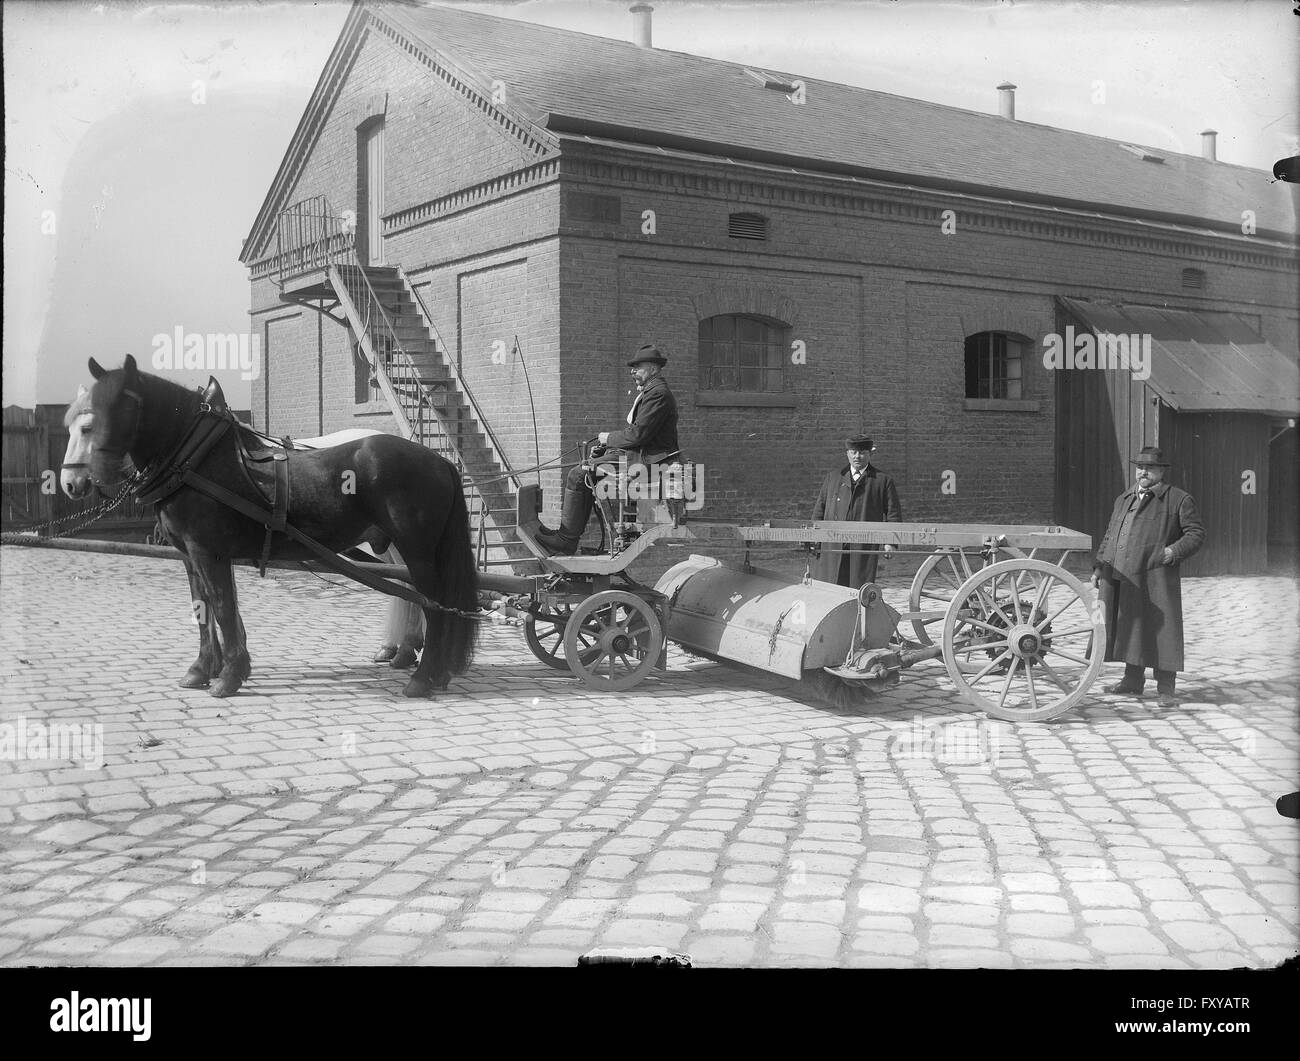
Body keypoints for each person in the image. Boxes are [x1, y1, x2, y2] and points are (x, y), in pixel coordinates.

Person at [536, 344, 680, 555]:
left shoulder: (657, 394)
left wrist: (608, 438)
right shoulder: (651, 391)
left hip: (650, 462)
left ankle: (566, 539)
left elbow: (638, 435)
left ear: (654, 369)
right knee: (586, 472)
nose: (632, 371)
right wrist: (606, 448)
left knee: (578, 475)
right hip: (641, 456)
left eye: (637, 367)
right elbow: (638, 434)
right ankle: (567, 536)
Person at [1091, 445, 1205, 705]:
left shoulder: (1178, 499)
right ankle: (1132, 681)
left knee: (1161, 630)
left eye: (1150, 468)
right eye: (1140, 467)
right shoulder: (1124, 498)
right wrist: (1099, 565)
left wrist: (1171, 552)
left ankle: (1166, 689)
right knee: (1129, 627)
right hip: (1118, 572)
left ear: (1161, 472)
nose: (1143, 472)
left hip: (1154, 575)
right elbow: (1110, 532)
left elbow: (1196, 534)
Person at [809, 433, 902, 587]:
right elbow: (820, 509)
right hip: (832, 543)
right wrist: (813, 537)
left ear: (870, 454)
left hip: (863, 544)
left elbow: (893, 513)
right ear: (847, 454)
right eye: (854, 452)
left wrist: (890, 542)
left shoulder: (882, 480)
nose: (857, 456)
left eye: (863, 453)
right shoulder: (833, 478)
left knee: (858, 587)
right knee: (830, 586)